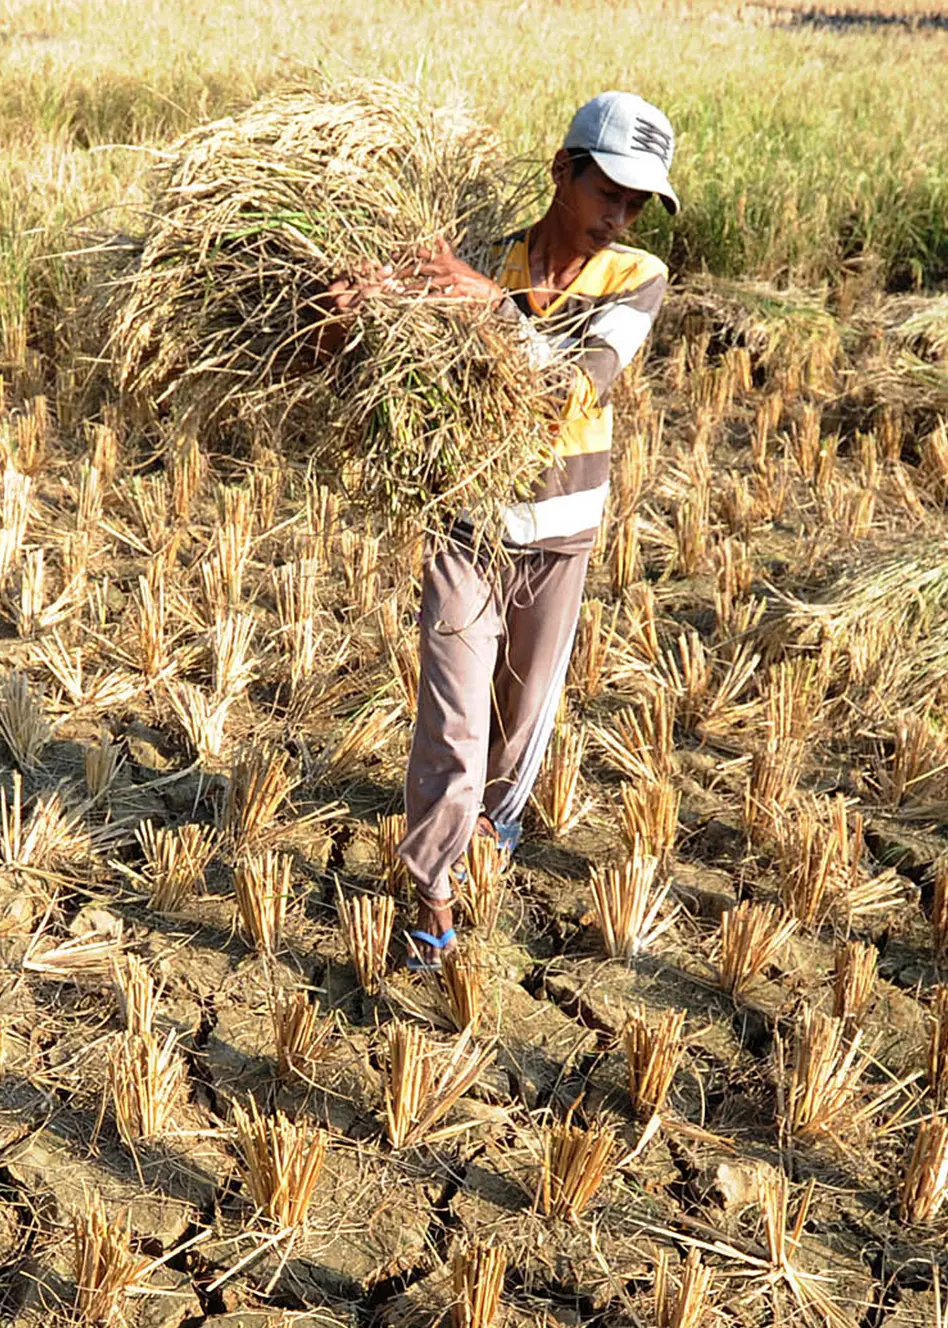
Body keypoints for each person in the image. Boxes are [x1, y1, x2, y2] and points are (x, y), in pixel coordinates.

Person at [365, 91, 677, 970]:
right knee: (454, 718)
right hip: (467, 525)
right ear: (563, 172)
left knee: (518, 721)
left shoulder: (637, 278)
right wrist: (364, 303)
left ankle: (489, 843)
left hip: (563, 530)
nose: (619, 214)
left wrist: (483, 308)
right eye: (608, 189)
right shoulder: (481, 257)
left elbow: (574, 385)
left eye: (636, 200)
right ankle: (433, 894)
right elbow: (406, 354)